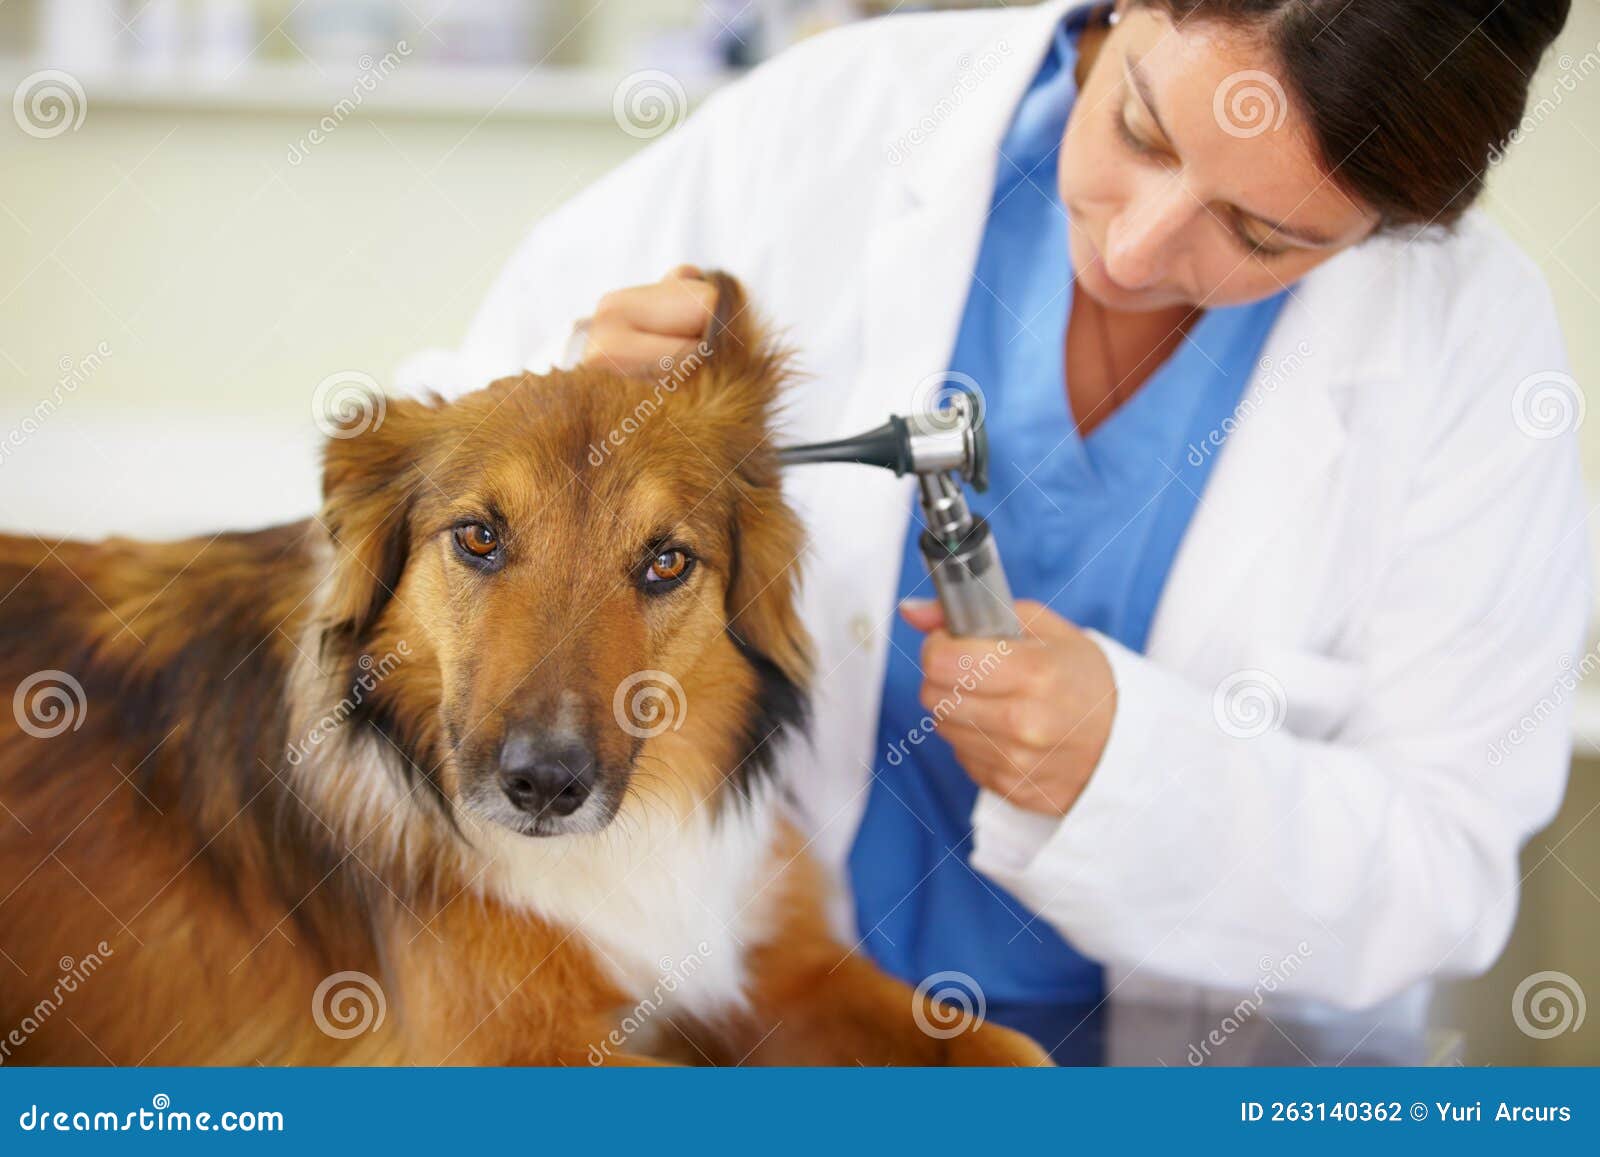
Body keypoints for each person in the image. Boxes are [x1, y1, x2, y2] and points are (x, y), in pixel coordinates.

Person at [400, 0, 1585, 1047]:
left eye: (1261, 237)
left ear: (1381, 233)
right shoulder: (836, 122)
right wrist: (579, 412)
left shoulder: (1471, 355)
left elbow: (1446, 872)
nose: (1133, 249)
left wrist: (1127, 770)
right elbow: (424, 492)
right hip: (775, 1033)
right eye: (1140, 130)